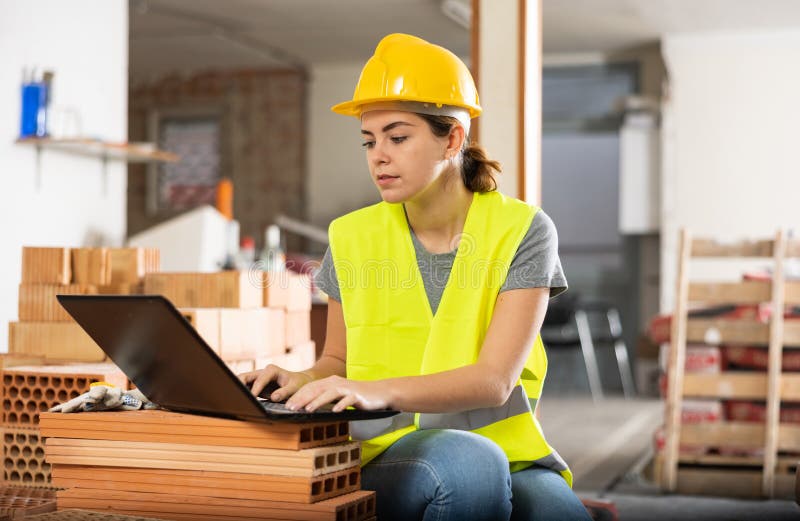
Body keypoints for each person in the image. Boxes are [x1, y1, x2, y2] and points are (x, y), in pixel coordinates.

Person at [240, 33, 591, 521]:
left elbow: (494, 382)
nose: (378, 155)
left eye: (397, 137)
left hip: (509, 453)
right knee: (467, 467)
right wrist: (296, 380)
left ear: (452, 138)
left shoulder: (523, 231)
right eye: (369, 140)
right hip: (385, 452)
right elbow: (337, 360)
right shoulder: (351, 237)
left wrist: (378, 389)